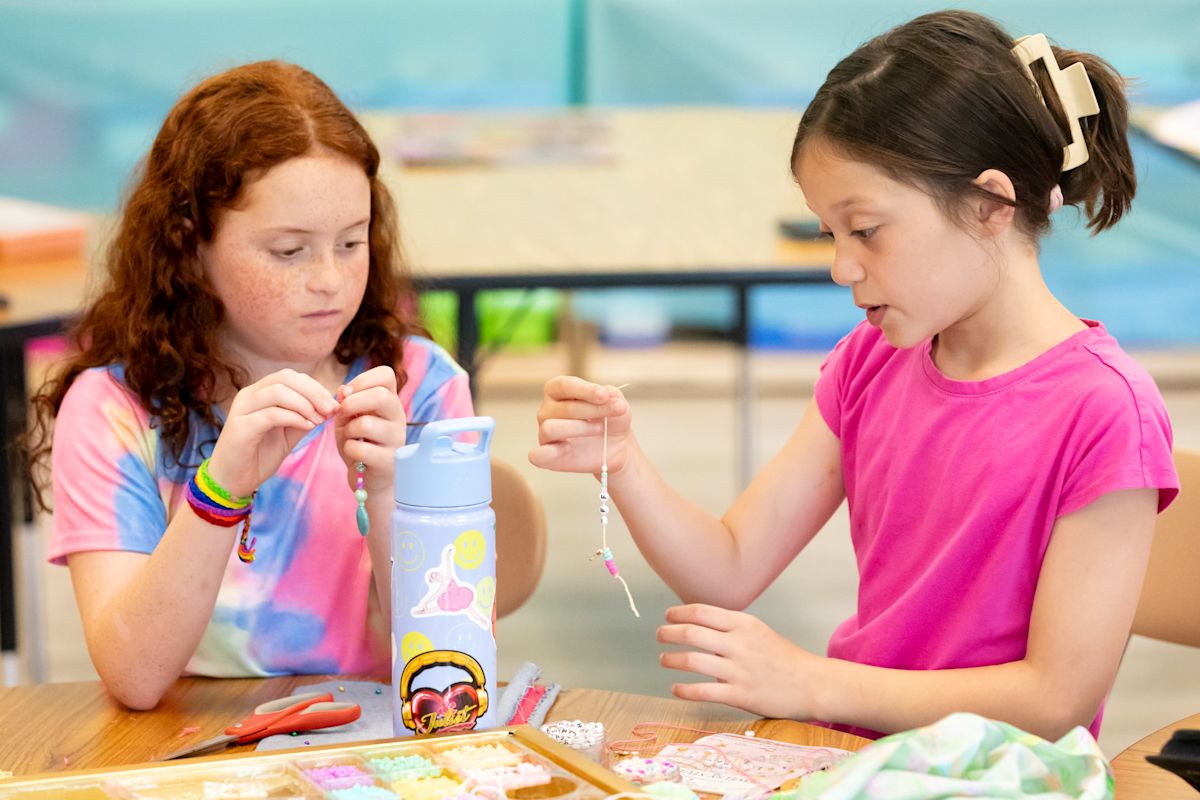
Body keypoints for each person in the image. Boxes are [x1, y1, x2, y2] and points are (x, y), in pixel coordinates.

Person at [530, 10, 1178, 741]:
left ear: (990, 202)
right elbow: (729, 567)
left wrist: (811, 682)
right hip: (847, 756)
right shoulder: (873, 360)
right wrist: (624, 461)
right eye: (828, 233)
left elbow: (1054, 699)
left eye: (865, 230)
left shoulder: (1104, 409)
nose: (842, 267)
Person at [26, 60, 473, 709]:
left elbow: (448, 665)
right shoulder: (113, 411)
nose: (329, 279)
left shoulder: (420, 387)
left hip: (374, 742)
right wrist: (220, 488)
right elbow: (135, 676)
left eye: (351, 243)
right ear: (188, 245)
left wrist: (388, 490)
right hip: (184, 745)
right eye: (289, 251)